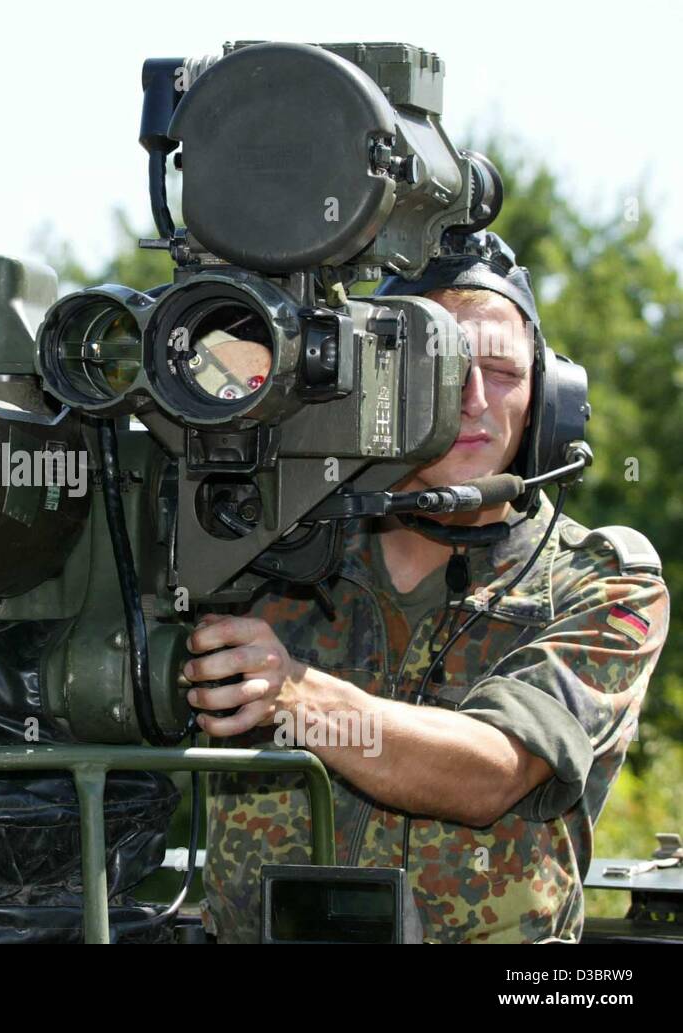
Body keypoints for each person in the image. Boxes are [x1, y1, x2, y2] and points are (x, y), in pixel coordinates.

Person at [189, 233, 670, 943]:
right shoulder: (261, 549)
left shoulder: (601, 580)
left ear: (547, 398)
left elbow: (493, 772)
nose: (474, 400)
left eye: (501, 372)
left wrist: (296, 695)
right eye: (443, 365)